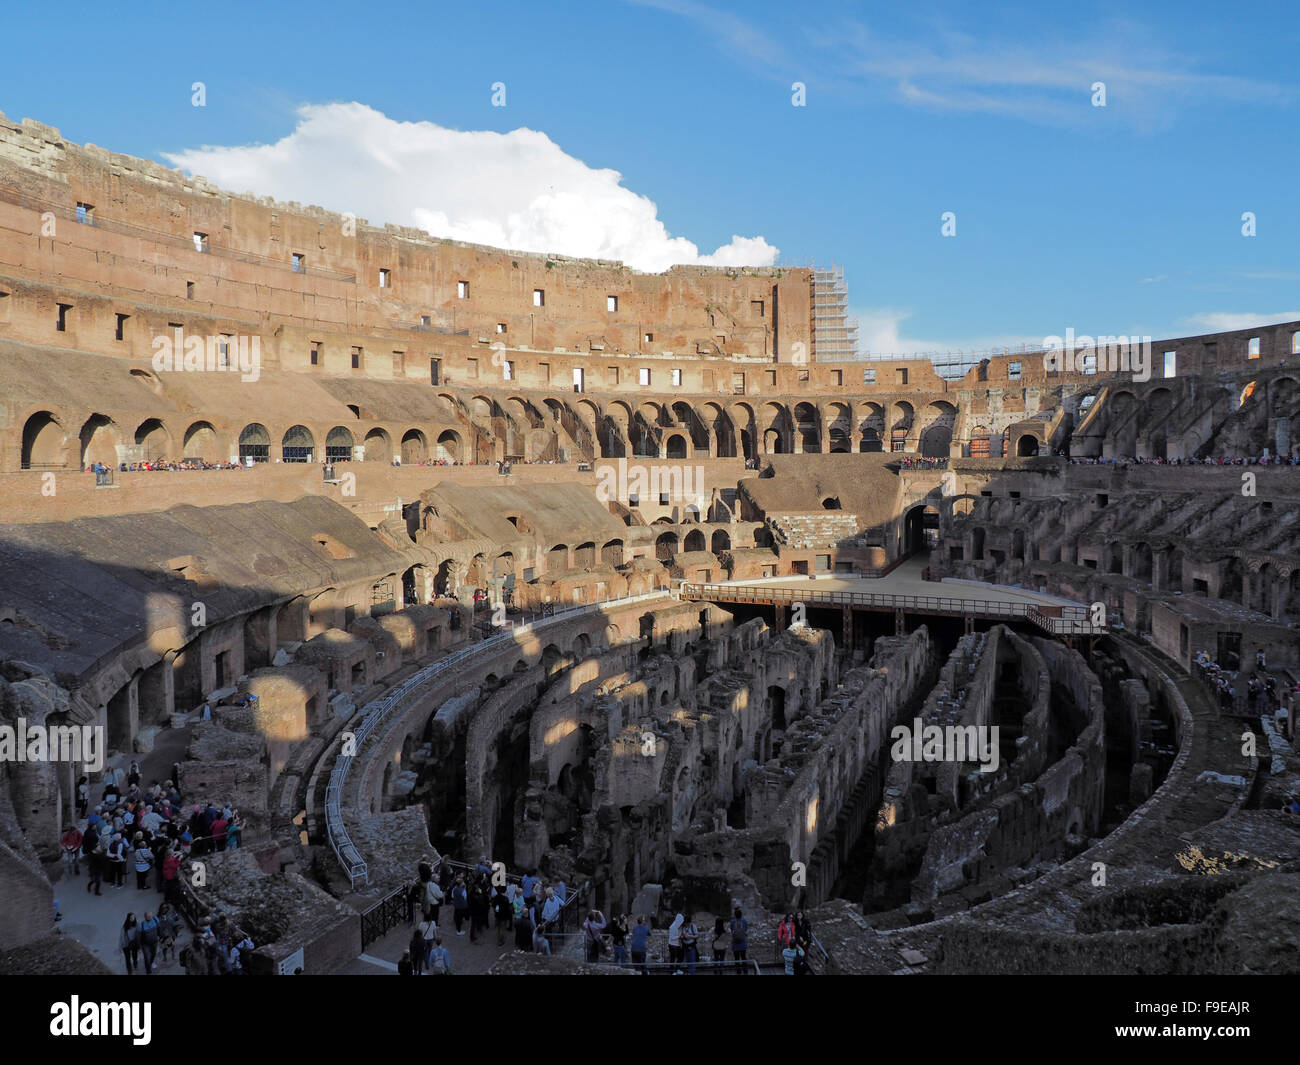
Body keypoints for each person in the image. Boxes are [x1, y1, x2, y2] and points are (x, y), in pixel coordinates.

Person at [138, 911, 160, 975]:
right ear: (145, 917)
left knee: (153, 954)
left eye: (150, 916)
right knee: (147, 957)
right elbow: (138, 937)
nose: (149, 917)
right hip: (145, 944)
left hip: (155, 942)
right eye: (148, 916)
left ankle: (151, 962)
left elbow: (159, 928)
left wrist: (160, 936)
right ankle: (148, 971)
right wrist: (139, 947)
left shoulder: (156, 920)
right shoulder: (141, 925)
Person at [730, 907, 749, 973]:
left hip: (735, 943)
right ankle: (745, 971)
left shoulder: (732, 922)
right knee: (743, 958)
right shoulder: (744, 921)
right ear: (741, 915)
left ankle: (738, 972)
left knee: (737, 959)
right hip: (743, 943)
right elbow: (746, 930)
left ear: (735, 915)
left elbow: (732, 930)